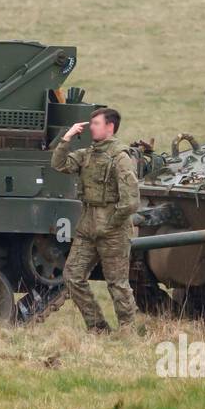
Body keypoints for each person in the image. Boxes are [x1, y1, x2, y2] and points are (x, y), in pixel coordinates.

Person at [50, 107, 140, 333]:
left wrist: (112, 223)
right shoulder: (87, 154)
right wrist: (67, 138)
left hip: (114, 231)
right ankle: (97, 326)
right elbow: (59, 164)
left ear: (110, 127)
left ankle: (128, 331)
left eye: (96, 124)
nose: (92, 127)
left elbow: (130, 200)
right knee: (72, 276)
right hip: (87, 228)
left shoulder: (120, 157)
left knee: (117, 284)